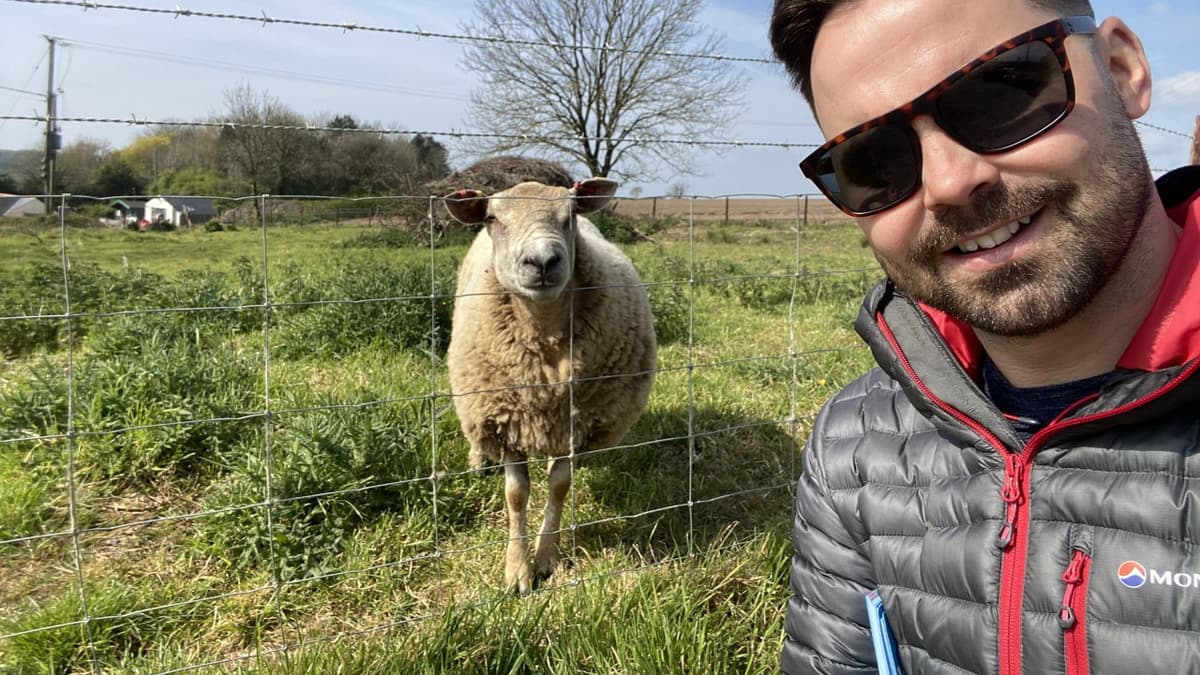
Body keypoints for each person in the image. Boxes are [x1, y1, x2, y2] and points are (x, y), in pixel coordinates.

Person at [768, 0, 1200, 673]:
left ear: (1122, 70)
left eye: (1001, 94)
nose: (949, 183)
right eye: (875, 160)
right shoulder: (855, 448)